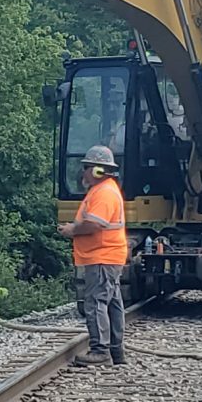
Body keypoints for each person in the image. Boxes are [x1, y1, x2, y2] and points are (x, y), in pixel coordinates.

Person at [59, 144, 126, 366]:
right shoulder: (104, 190)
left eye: (86, 167)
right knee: (112, 303)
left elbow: (95, 224)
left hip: (102, 256)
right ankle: (116, 351)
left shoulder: (104, 192)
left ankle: (100, 351)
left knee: (96, 302)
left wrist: (72, 230)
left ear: (98, 170)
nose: (84, 172)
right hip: (107, 257)